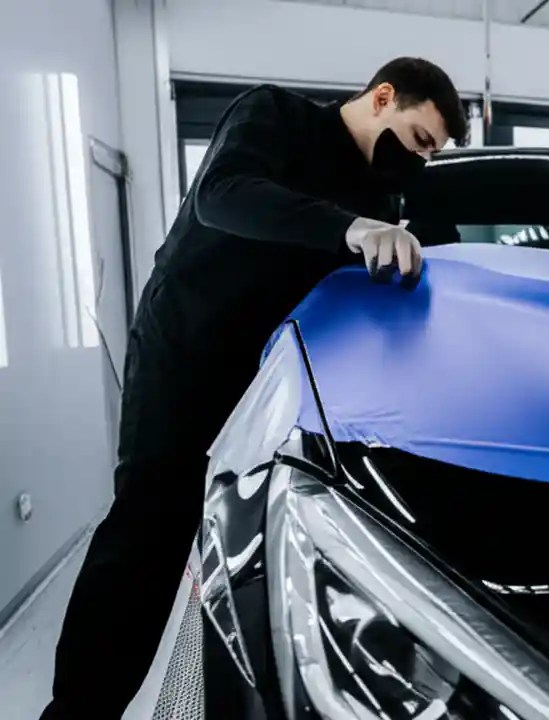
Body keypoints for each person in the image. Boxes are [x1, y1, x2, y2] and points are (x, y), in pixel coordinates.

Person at [40, 57, 468, 719]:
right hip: (185, 355)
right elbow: (224, 195)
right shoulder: (274, 116)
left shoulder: (384, 200)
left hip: (273, 385)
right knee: (149, 532)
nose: (418, 160)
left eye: (431, 154)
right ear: (383, 97)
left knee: (257, 551)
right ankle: (78, 709)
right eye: (418, 140)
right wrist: (348, 229)